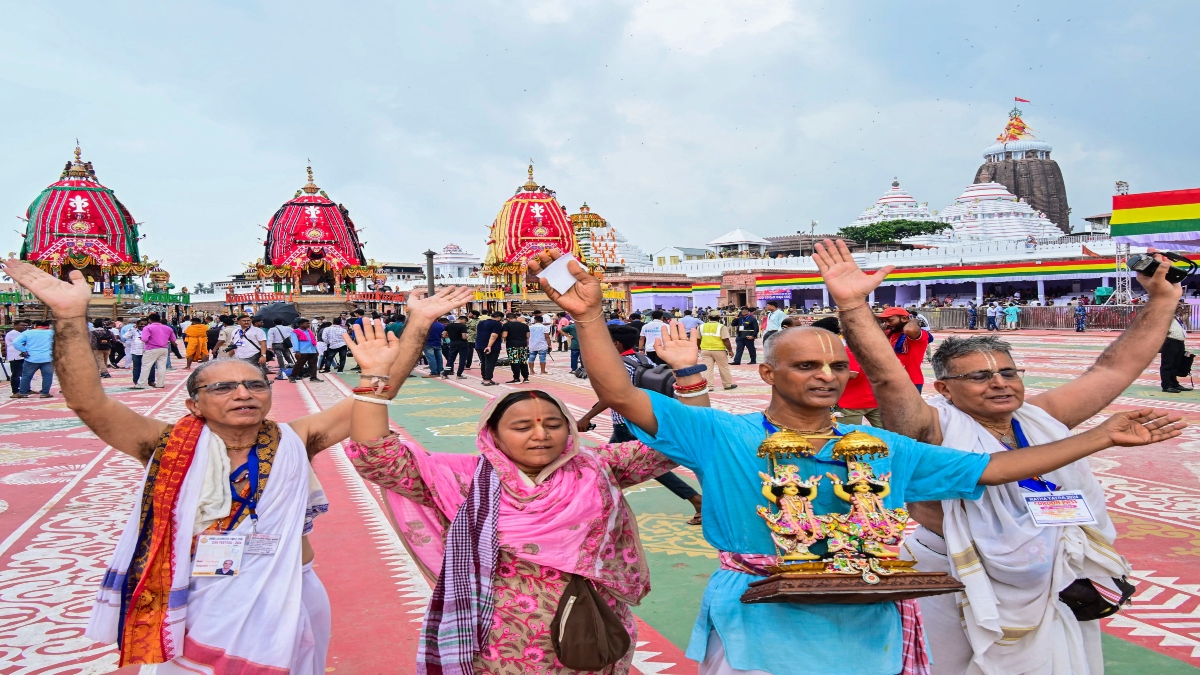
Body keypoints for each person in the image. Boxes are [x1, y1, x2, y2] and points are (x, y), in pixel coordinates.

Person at [527, 246, 1184, 675]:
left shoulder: (884, 448)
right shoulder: (721, 436)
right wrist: (588, 316)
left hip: (867, 625)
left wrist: (1104, 436)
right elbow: (618, 392)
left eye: (837, 365)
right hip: (761, 620)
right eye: (807, 364)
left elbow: (989, 472)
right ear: (768, 370)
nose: (826, 374)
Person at [2, 257, 476, 675]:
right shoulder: (163, 445)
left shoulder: (296, 439)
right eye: (224, 388)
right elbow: (88, 402)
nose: (244, 393)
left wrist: (418, 323)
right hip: (199, 594)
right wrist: (69, 316)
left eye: (255, 384)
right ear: (194, 406)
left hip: (292, 589)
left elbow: (376, 394)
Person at [818, 238, 1188, 675]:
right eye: (979, 376)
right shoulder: (933, 428)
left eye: (1008, 372)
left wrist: (1163, 299)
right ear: (945, 389)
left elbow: (1113, 368)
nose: (1000, 383)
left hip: (1053, 576)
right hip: (950, 572)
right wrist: (853, 306)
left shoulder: (1039, 418)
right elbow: (886, 377)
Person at [340, 316, 679, 675]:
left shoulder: (597, 467)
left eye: (553, 424)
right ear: (494, 436)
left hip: (593, 637)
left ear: (568, 429)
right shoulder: (464, 478)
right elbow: (379, 458)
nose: (540, 435)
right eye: (521, 426)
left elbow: (682, 445)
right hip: (502, 645)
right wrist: (373, 378)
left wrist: (689, 375)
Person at [576, 323, 705, 525]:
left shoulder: (618, 365)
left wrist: (586, 417)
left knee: (642, 466)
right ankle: (596, 503)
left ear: (616, 344)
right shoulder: (642, 358)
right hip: (644, 418)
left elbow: (611, 397)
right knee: (609, 466)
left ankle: (696, 500)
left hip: (626, 424)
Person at [812, 317, 882, 428]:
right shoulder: (866, 347)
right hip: (871, 398)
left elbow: (852, 373)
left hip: (853, 402)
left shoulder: (845, 349)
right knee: (887, 435)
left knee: (848, 437)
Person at [876, 307, 930, 393]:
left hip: (910, 381)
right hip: (890, 380)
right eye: (885, 321)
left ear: (904, 319)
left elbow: (910, 329)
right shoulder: (893, 334)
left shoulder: (918, 334)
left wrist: (914, 320)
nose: (887, 324)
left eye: (890, 320)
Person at [13, 319, 54, 398]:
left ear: (35, 325)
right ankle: (45, 393)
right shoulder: (53, 333)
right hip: (48, 358)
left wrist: (24, 350)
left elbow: (15, 343)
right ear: (48, 326)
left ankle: (23, 392)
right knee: (47, 376)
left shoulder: (28, 332)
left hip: (31, 358)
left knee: (26, 376)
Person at [135, 313, 175, 389]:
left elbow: (144, 339)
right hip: (164, 349)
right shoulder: (168, 328)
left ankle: (141, 384)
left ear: (150, 320)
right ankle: (160, 384)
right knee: (162, 367)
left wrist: (141, 338)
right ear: (159, 319)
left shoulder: (148, 328)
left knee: (146, 367)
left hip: (151, 349)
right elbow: (173, 339)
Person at [698, 312, 736, 391]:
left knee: (707, 369)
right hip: (719, 350)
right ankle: (727, 385)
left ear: (708, 317)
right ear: (719, 318)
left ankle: (709, 386)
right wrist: (730, 350)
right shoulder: (721, 327)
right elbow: (725, 339)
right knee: (723, 368)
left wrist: (700, 348)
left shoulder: (701, 326)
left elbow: (698, 339)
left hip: (705, 349)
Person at [1160, 312, 1191, 393]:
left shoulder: (1175, 317)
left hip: (1179, 342)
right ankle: (1166, 385)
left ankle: (1174, 383)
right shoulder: (1164, 315)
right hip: (1170, 342)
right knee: (1167, 364)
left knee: (1176, 364)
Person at [475, 310, 504, 386]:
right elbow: (494, 335)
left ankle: (485, 378)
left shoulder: (481, 322)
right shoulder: (497, 324)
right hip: (491, 346)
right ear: (499, 317)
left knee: (483, 362)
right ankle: (487, 379)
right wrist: (489, 346)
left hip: (479, 344)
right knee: (490, 363)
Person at [501, 312, 530, 383]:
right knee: (523, 361)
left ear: (508, 318)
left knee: (514, 361)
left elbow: (504, 335)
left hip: (512, 345)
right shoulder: (524, 325)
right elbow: (528, 336)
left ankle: (516, 378)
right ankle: (526, 377)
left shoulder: (507, 325)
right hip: (523, 345)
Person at [128, 319, 157, 388]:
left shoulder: (150, 330)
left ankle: (151, 381)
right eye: (141, 324)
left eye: (145, 324)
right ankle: (136, 382)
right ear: (137, 324)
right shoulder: (133, 331)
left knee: (151, 367)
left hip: (148, 351)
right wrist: (132, 329)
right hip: (136, 352)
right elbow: (125, 336)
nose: (143, 326)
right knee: (137, 367)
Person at [442, 314, 472, 379]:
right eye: (465, 321)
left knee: (450, 360)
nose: (465, 322)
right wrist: (467, 336)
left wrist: (452, 336)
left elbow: (444, 335)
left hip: (452, 343)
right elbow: (464, 337)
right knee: (462, 360)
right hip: (463, 344)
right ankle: (459, 375)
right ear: (462, 319)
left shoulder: (449, 325)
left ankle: (445, 374)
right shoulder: (462, 326)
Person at [5, 319, 28, 396]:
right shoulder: (12, 333)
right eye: (22, 325)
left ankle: (27, 389)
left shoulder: (23, 333)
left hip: (23, 356)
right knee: (16, 374)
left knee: (25, 374)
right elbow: (23, 343)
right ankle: (15, 391)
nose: (24, 327)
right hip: (15, 356)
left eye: (26, 326)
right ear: (15, 326)